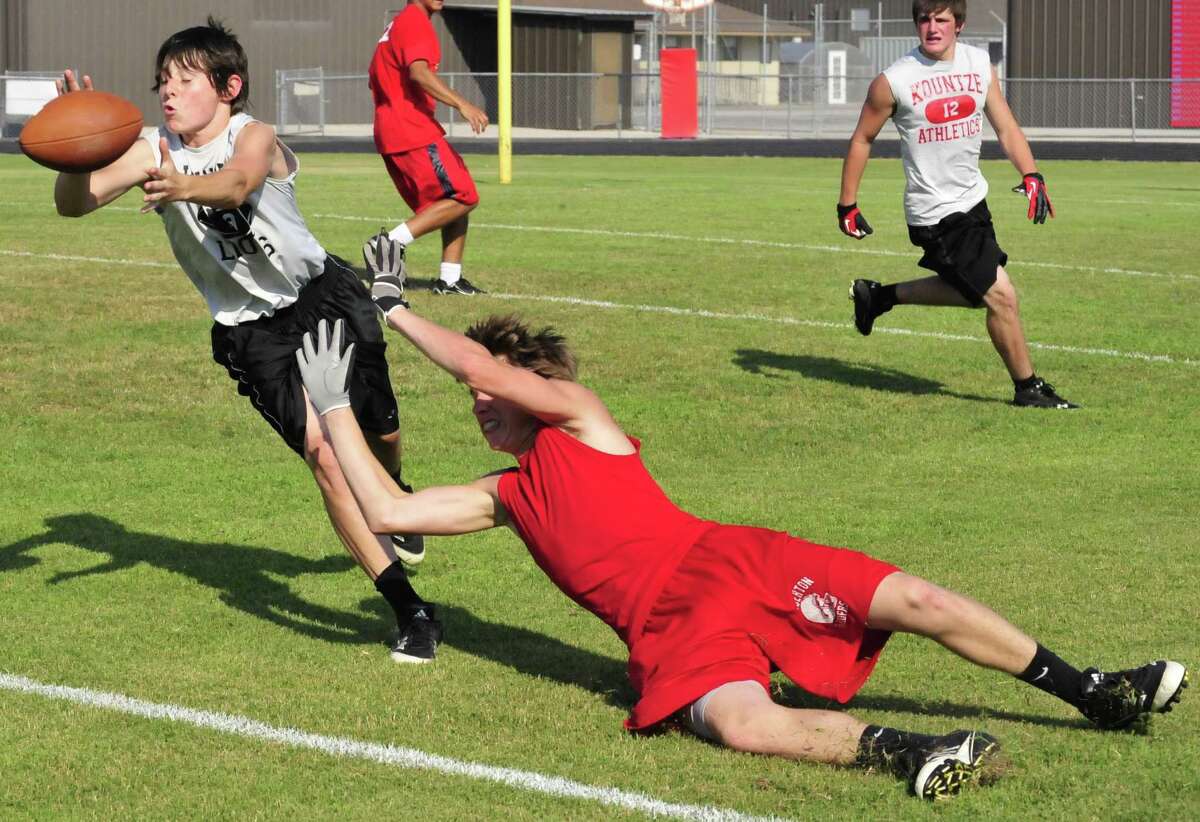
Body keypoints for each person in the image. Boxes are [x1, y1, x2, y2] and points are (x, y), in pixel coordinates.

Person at [291, 238, 1187, 800]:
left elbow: (484, 375)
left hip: (732, 560)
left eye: (493, 387)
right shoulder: (506, 495)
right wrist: (333, 407)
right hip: (667, 630)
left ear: (530, 383)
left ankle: (1091, 690)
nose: (480, 405)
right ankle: (913, 752)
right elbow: (388, 508)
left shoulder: (580, 416)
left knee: (912, 596)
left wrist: (398, 309)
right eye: (478, 392)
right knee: (741, 726)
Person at [49, 18, 443, 663]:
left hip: (324, 299)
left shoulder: (252, 135)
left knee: (380, 430)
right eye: (162, 82)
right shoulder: (152, 150)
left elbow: (238, 183)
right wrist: (76, 147)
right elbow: (73, 203)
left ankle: (395, 488)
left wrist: (183, 188)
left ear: (229, 86)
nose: (168, 93)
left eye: (184, 79)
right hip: (251, 332)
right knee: (323, 453)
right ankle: (412, 610)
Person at [838, 0, 1076, 409]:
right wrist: (848, 204)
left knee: (972, 293)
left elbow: (1004, 124)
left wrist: (1031, 174)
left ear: (959, 24)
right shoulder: (894, 81)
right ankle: (1028, 387)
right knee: (1001, 296)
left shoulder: (979, 64)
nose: (932, 27)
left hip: (973, 202)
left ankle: (878, 297)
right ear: (916, 25)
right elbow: (862, 138)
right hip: (935, 213)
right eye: (924, 20)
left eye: (942, 19)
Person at [369, 0, 489, 296]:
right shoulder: (414, 21)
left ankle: (449, 279)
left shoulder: (398, 24)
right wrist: (464, 104)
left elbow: (376, 79)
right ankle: (388, 245)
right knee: (464, 196)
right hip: (410, 129)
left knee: (451, 201)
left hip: (395, 128)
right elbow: (419, 73)